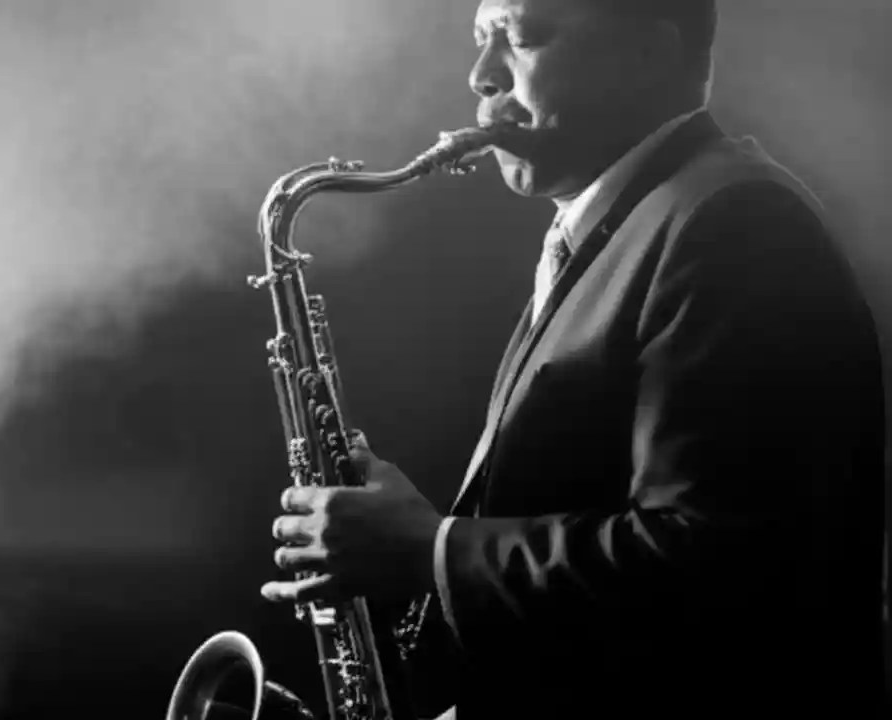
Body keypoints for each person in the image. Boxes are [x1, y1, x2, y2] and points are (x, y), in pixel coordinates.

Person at [261, 0, 885, 716]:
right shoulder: (624, 226)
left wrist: (432, 551)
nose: (481, 76)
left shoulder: (732, 225)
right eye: (479, 42)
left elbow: (719, 566)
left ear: (647, 55)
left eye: (523, 38)